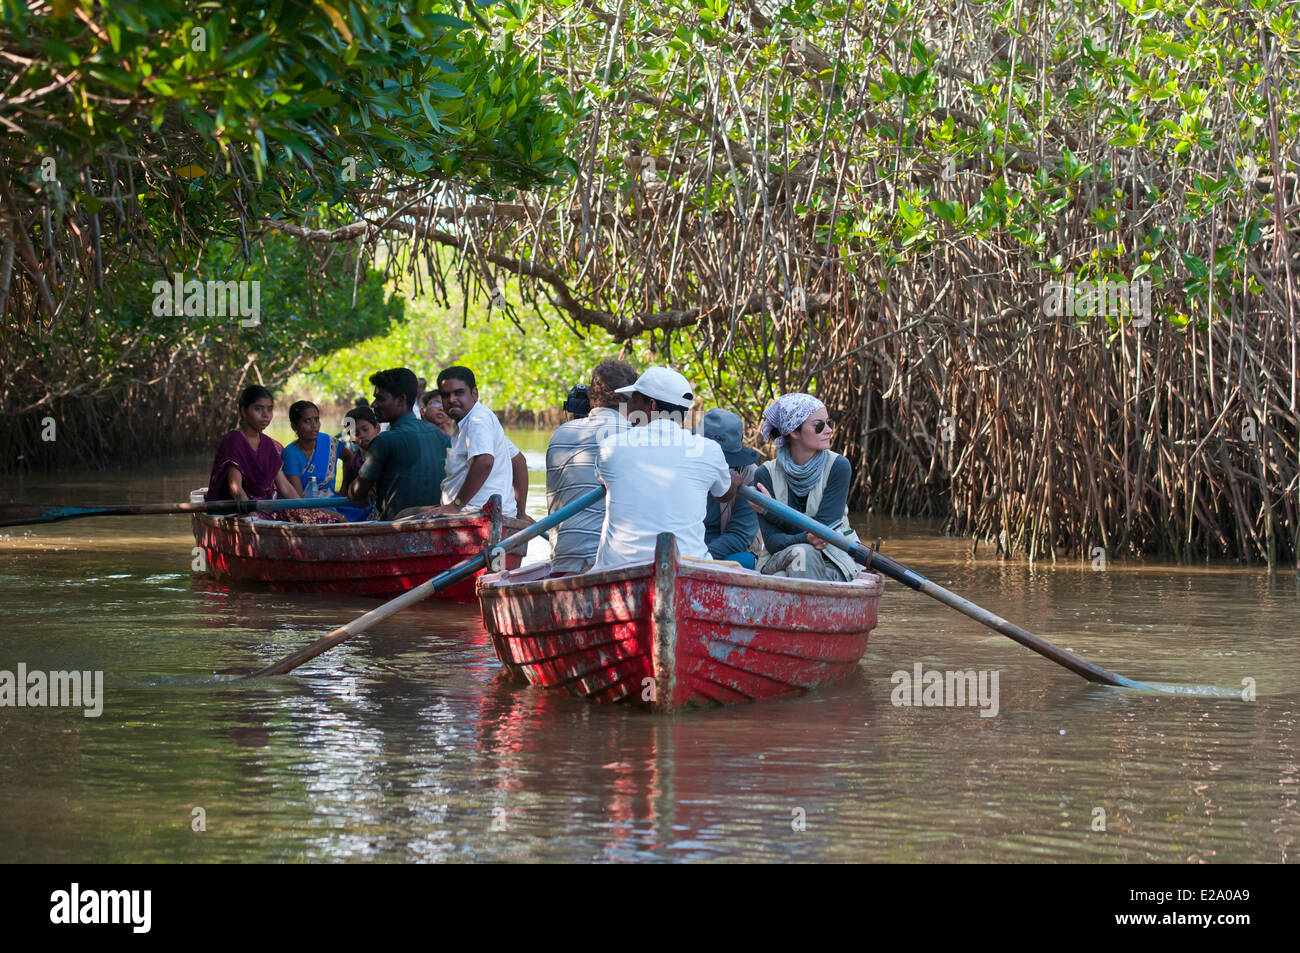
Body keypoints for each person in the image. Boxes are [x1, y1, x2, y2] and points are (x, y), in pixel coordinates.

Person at [591, 366, 732, 569]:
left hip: (618, 568)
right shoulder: (709, 450)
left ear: (652, 404)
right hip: (689, 566)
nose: (629, 409)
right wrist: (734, 481)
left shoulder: (610, 446)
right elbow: (724, 494)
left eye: (635, 400)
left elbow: (605, 485)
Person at [750, 392, 862, 581]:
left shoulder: (838, 467)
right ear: (794, 432)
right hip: (782, 556)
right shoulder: (764, 474)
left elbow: (823, 533)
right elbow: (773, 542)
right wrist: (805, 539)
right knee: (803, 554)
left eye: (828, 423)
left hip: (832, 559)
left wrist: (771, 511)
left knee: (785, 573)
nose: (829, 430)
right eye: (819, 426)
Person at [545, 359, 637, 574]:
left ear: (590, 399)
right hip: (613, 562)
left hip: (563, 561)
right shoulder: (636, 437)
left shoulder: (560, 434)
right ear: (633, 400)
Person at [348, 367, 451, 520]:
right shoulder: (440, 435)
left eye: (380, 398)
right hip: (436, 522)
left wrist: (354, 488)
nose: (374, 404)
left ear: (401, 400)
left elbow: (357, 492)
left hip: (396, 527)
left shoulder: (384, 440)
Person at [429, 366, 520, 518]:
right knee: (408, 513)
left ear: (474, 394)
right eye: (446, 395)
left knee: (404, 515)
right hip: (479, 512)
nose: (451, 400)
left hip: (474, 514)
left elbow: (484, 461)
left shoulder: (477, 420)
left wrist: (456, 505)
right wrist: (521, 512)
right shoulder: (475, 419)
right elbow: (518, 459)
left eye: (459, 393)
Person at [205, 385, 299, 503]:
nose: (265, 415)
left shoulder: (267, 443)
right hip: (237, 509)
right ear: (244, 411)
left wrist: (305, 509)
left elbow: (284, 486)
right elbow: (235, 487)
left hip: (264, 508)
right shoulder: (234, 439)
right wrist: (251, 515)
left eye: (269, 409)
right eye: (258, 409)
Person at [697, 408, 761, 570]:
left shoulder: (748, 473)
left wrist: (699, 560)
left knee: (743, 561)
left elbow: (740, 535)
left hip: (722, 551)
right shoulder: (683, 463)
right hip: (684, 546)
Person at [282, 400, 343, 497]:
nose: (314, 425)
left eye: (316, 419)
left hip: (333, 500)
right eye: (307, 421)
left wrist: (344, 490)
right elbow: (299, 500)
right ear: (294, 426)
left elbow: (349, 458)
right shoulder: (290, 453)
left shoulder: (328, 442)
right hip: (307, 507)